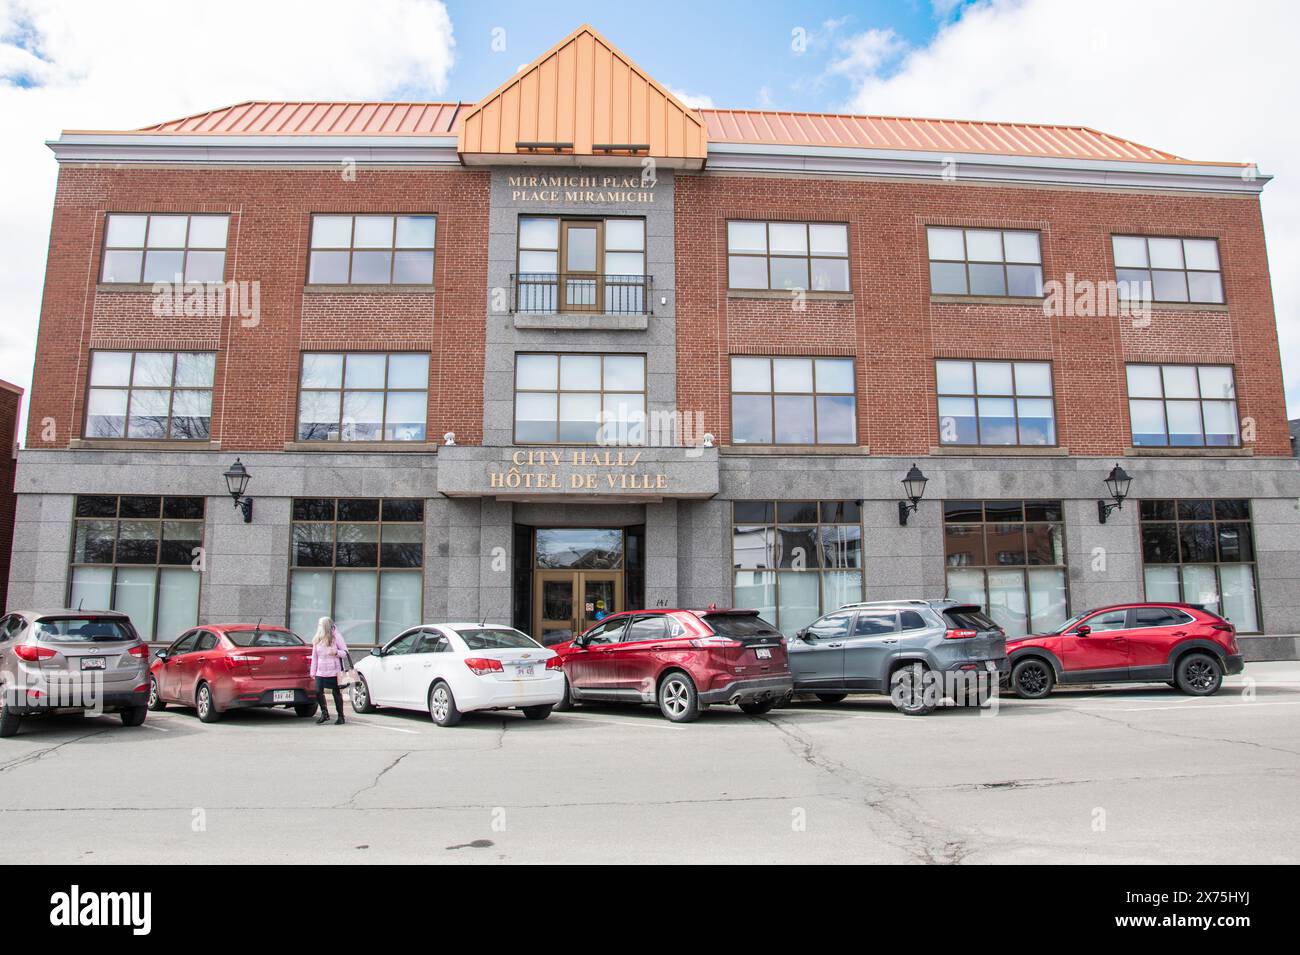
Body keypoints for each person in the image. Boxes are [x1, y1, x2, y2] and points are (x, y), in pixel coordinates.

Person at [309, 616, 349, 725]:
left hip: (335, 671)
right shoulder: (317, 638)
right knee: (318, 691)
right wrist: (313, 671)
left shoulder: (336, 636)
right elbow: (315, 657)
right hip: (320, 671)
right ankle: (324, 713)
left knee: (336, 693)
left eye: (321, 625)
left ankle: (341, 716)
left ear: (326, 626)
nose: (319, 627)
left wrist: (336, 652)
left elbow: (345, 652)